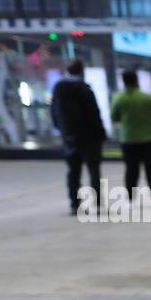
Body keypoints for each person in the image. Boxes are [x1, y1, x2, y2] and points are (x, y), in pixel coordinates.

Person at [51, 59, 106, 215]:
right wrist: (101, 133)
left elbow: (54, 112)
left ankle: (75, 204)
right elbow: (94, 114)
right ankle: (97, 203)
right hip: (90, 138)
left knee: (73, 172)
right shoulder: (84, 89)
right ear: (82, 71)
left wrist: (63, 131)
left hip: (70, 137)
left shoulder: (59, 89)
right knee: (94, 170)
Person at [110, 70, 151, 196]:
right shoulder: (147, 97)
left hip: (129, 139)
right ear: (136, 80)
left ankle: (130, 199)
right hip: (150, 138)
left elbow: (114, 117)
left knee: (131, 170)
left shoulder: (119, 98)